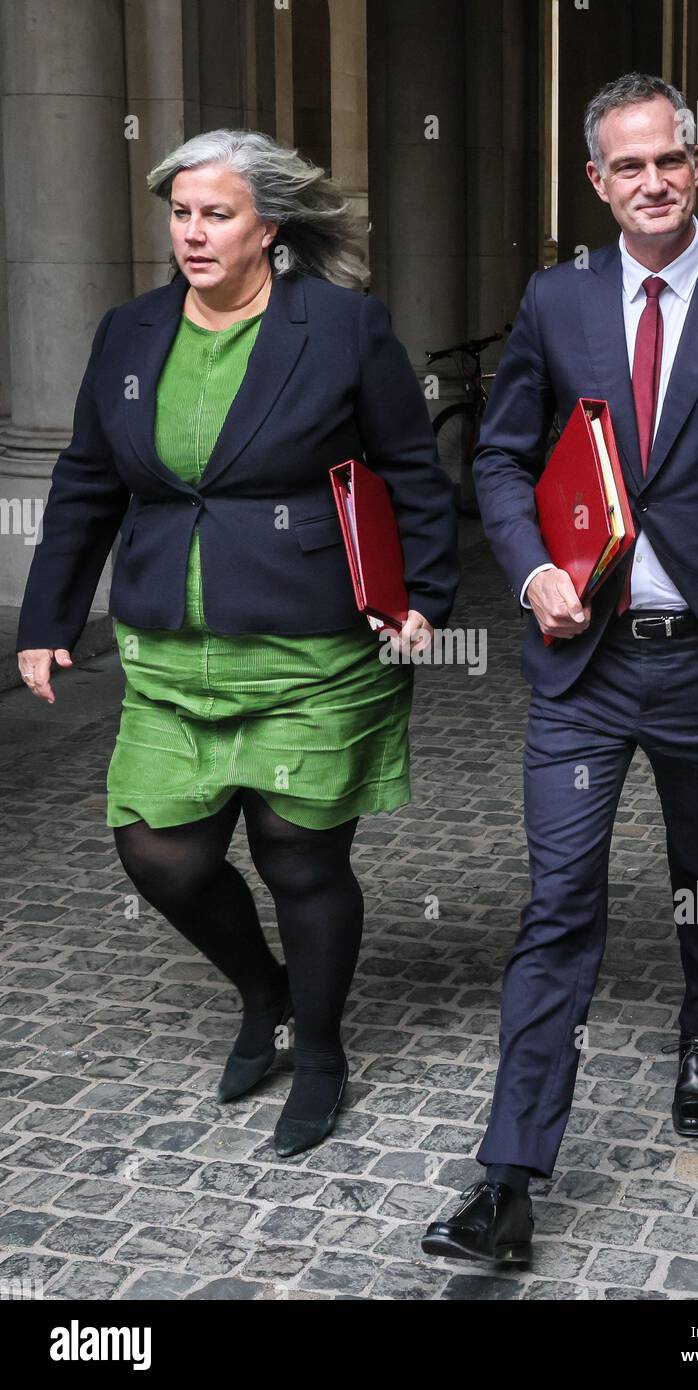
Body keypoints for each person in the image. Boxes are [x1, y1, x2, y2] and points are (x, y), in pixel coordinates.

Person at [422, 72, 698, 1265]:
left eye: (668, 159)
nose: (652, 181)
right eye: (627, 166)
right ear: (596, 181)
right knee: (557, 902)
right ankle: (507, 1180)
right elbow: (503, 459)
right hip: (582, 662)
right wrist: (525, 573)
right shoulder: (555, 301)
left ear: (696, 165)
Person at [17, 128, 458, 1159]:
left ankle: (322, 1051)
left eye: (216, 214)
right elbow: (87, 479)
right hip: (172, 645)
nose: (192, 233)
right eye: (180, 214)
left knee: (297, 858)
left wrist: (421, 596)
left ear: (269, 226)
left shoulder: (340, 327)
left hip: (312, 643)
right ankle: (265, 994)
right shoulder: (129, 332)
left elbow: (407, 468)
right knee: (159, 851)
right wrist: (46, 621)